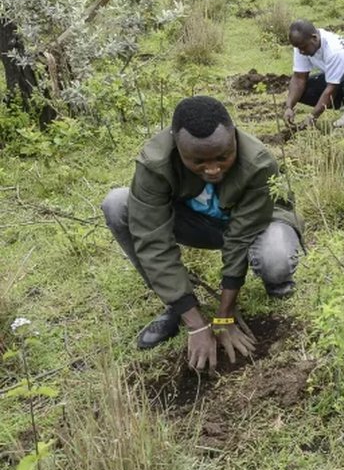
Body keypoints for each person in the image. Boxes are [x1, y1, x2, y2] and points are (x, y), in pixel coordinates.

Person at [102, 96, 302, 369]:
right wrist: (196, 324)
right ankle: (176, 302)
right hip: (198, 224)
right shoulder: (155, 163)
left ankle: (275, 281)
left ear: (234, 136)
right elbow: (153, 241)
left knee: (275, 259)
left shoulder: (258, 161)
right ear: (177, 147)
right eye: (197, 161)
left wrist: (223, 317)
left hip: (258, 225)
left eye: (223, 157)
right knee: (117, 204)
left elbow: (241, 235)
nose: (212, 168)